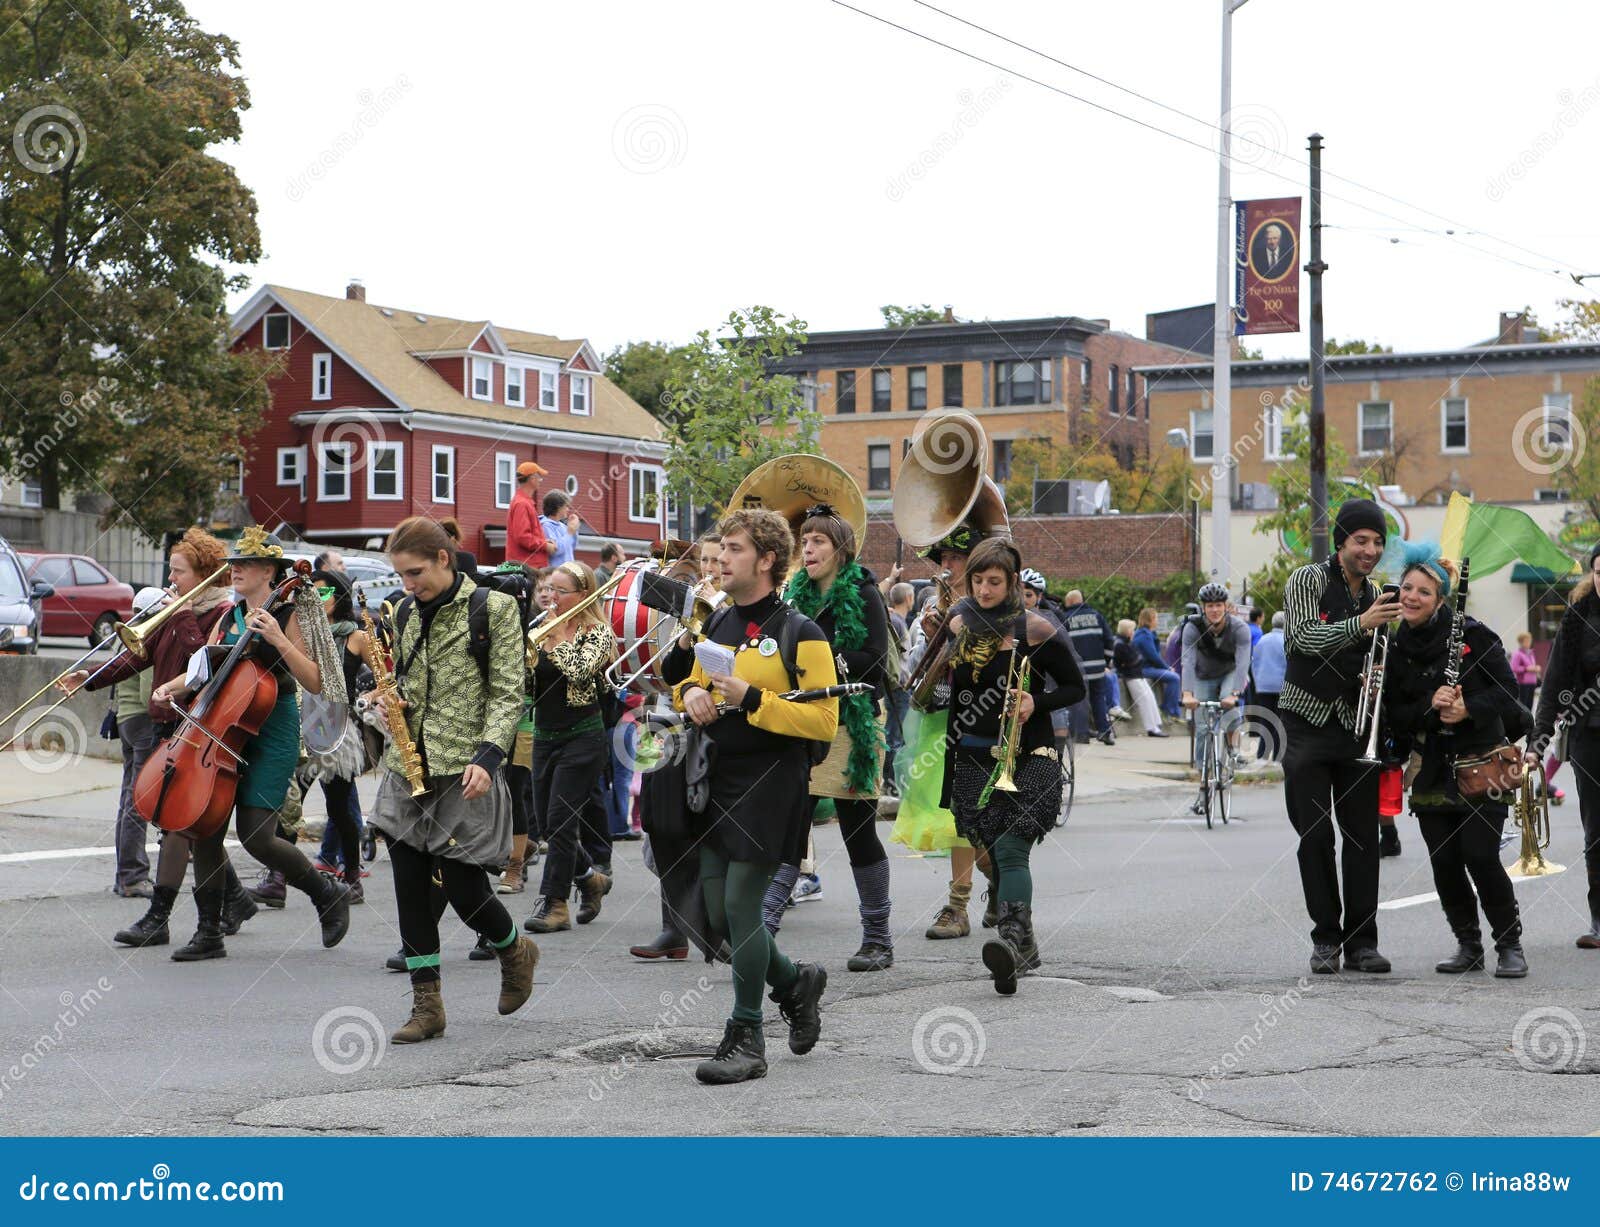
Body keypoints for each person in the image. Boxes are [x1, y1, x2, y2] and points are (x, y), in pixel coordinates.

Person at [669, 509, 836, 1085]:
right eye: (722, 550)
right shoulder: (717, 623)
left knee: (742, 905)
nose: (722, 560)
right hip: (716, 775)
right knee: (717, 914)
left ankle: (746, 1034)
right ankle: (794, 982)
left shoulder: (803, 632)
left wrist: (752, 700)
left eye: (735, 550)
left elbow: (823, 722)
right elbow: (685, 679)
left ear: (766, 559)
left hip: (773, 778)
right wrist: (691, 693)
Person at [369, 515, 538, 1043]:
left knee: (464, 887)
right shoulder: (398, 610)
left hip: (466, 767)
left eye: (415, 572)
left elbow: (509, 690)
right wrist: (379, 698)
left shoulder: (495, 607)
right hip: (405, 764)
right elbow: (394, 676)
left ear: (444, 558)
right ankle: (427, 1005)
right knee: (409, 886)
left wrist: (489, 758)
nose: (407, 585)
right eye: (400, 575)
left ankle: (514, 948)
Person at [149, 526, 352, 961]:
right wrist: (173, 686)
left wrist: (278, 639)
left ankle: (325, 892)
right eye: (233, 565)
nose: (234, 571)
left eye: (243, 564)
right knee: (205, 827)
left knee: (258, 837)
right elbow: (204, 670)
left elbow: (316, 679)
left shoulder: (292, 610)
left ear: (268, 571)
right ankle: (208, 933)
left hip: (272, 726)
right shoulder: (228, 616)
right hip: (222, 724)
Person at [63, 529, 245, 938]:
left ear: (203, 574)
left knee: (177, 821)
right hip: (166, 724)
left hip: (193, 726)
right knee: (188, 826)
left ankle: (161, 919)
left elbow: (203, 661)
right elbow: (137, 657)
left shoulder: (220, 613)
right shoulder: (177, 609)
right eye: (171, 570)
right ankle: (233, 900)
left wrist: (178, 614)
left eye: (178, 572)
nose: (170, 579)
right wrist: (88, 677)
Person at [941, 540, 1084, 993]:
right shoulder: (958, 622)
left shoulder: (1037, 629)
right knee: (990, 853)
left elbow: (1075, 687)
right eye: (978, 580)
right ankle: (1024, 943)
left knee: (1011, 848)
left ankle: (1010, 936)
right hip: (973, 756)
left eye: (994, 582)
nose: (984, 589)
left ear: (1013, 584)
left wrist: (1033, 701)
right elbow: (951, 691)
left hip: (1030, 754)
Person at [1386, 544, 1529, 978]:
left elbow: (1509, 695)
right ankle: (1468, 944)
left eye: (1423, 592)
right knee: (1445, 863)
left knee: (1480, 857)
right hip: (1432, 768)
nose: (1411, 597)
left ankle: (1510, 944)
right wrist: (1430, 707)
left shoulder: (1474, 634)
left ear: (1441, 598)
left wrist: (1468, 709)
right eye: (1407, 588)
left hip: (1482, 762)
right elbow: (1396, 715)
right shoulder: (1395, 646)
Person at [765, 504, 895, 973]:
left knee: (858, 831)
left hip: (850, 721)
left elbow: (874, 658)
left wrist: (822, 658)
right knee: (789, 826)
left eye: (817, 541)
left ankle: (878, 938)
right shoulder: (793, 596)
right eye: (805, 541)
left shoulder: (863, 591)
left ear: (839, 549)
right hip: (802, 721)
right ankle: (762, 934)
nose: (808, 548)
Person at [1279, 499, 1399, 975]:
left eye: (1377, 543)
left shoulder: (1377, 593)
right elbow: (1302, 639)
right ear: (1342, 541)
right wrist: (1361, 624)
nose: (1370, 550)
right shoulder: (1307, 579)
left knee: (1363, 838)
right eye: (1361, 541)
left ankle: (1362, 943)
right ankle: (1326, 938)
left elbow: (1383, 659)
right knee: (1314, 837)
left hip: (1355, 727)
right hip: (1305, 723)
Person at [892, 527, 999, 940]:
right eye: (944, 560)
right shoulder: (929, 610)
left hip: (978, 721)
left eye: (956, 559)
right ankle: (963, 903)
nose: (947, 567)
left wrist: (961, 633)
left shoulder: (992, 611)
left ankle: (981, 891)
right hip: (938, 721)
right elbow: (909, 674)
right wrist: (931, 635)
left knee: (972, 819)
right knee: (954, 817)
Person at [521, 561, 617, 933]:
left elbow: (579, 671)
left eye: (561, 591)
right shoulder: (538, 628)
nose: (552, 598)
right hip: (545, 734)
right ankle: (590, 879)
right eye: (549, 590)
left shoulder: (598, 633)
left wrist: (559, 638)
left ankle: (555, 903)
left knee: (562, 823)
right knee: (547, 825)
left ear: (582, 595)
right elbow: (529, 686)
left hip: (583, 735)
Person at [1531, 540, 1600, 948]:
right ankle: (1599, 919)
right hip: (1590, 737)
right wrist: (1536, 743)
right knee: (1597, 830)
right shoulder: (1577, 618)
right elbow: (1555, 682)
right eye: (1599, 569)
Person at [301, 568, 371, 904]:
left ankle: (353, 876)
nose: (317, 600)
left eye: (324, 593)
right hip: (300, 726)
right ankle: (277, 876)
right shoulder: (303, 633)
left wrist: (372, 698)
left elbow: (386, 676)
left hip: (337, 732)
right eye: (311, 595)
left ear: (339, 597)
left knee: (340, 808)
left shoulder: (355, 636)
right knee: (286, 804)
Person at [1180, 583, 1252, 804]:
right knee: (1202, 727)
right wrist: (1187, 693)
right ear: (1203, 608)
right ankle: (1203, 786)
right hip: (1204, 674)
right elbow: (1188, 661)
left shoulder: (1239, 628)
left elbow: (1242, 664)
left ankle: (1233, 749)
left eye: (1218, 605)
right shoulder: (1192, 628)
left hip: (1230, 672)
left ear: (1226, 607)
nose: (1214, 610)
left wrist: (1235, 693)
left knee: (1229, 706)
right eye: (1210, 605)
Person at [1059, 590, 1116, 745]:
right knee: (1099, 699)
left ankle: (1081, 734)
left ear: (1069, 602)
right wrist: (1105, 661)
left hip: (1077, 669)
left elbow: (1062, 644)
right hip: (1097, 668)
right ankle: (1104, 732)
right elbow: (1109, 640)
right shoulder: (1097, 615)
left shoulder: (1065, 618)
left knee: (1079, 700)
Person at [883, 581, 914, 791]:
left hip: (890, 684)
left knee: (892, 732)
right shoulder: (899, 622)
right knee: (897, 735)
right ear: (910, 599)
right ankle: (893, 782)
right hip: (900, 685)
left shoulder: (890, 618)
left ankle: (890, 780)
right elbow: (903, 660)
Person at [1114, 619, 1166, 737]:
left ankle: (1156, 724)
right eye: (1132, 630)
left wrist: (1136, 660)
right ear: (1127, 631)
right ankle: (1151, 728)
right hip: (1131, 676)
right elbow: (1132, 660)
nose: (1133, 632)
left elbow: (1137, 658)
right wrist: (1136, 660)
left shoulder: (1127, 643)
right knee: (1144, 700)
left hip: (1137, 674)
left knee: (1151, 698)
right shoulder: (1120, 644)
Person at [1251, 611, 1287, 761]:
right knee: (1279, 723)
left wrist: (1258, 681)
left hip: (1263, 686)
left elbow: (1254, 663)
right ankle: (1278, 757)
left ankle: (1262, 755)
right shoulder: (1286, 640)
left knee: (1265, 722)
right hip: (1280, 686)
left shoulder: (1262, 640)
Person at [1135, 607, 1180, 717]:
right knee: (1174, 678)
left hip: (1148, 667)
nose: (1157, 621)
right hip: (1143, 669)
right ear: (1149, 619)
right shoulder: (1144, 635)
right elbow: (1153, 656)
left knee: (1172, 676)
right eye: (1155, 618)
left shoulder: (1149, 633)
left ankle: (1173, 708)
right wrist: (1167, 668)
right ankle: (1169, 709)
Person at [506, 461, 550, 567]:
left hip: (527, 566)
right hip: (527, 567)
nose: (540, 480)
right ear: (532, 479)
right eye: (539, 477)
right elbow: (522, 537)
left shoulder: (522, 502)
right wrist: (545, 545)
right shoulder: (522, 503)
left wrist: (543, 541)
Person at [539, 491, 582, 568]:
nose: (568, 509)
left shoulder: (562, 526)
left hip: (568, 572)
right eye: (566, 506)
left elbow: (572, 546)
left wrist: (574, 529)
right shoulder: (546, 526)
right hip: (556, 573)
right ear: (558, 507)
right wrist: (569, 533)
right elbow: (555, 551)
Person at [1509, 632, 1540, 711]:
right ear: (1521, 642)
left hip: (1532, 683)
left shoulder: (1531, 653)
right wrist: (1527, 669)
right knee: (1523, 706)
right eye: (1526, 641)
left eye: (1529, 640)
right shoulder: (1517, 654)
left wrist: (1536, 668)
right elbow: (1514, 668)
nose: (1528, 643)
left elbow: (1532, 666)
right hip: (1523, 684)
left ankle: (1529, 723)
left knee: (1530, 706)